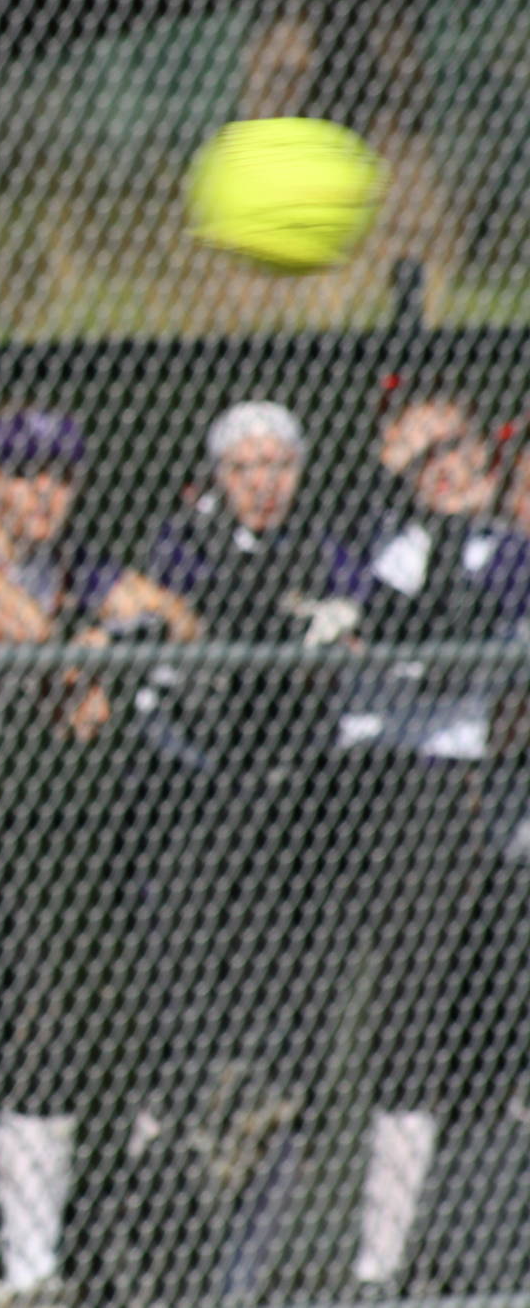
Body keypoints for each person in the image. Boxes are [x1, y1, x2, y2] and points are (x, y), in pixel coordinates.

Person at [0, 407, 199, 1307]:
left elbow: (182, 623)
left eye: (62, 476)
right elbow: (14, 635)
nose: (48, 493)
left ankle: (31, 1268)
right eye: (25, 472)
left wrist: (114, 637)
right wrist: (92, 647)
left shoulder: (75, 568)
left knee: (49, 1035)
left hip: (34, 829)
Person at [122, 401, 364, 1302]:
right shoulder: (182, 540)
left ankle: (245, 1278)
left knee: (288, 1063)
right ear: (217, 475)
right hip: (201, 812)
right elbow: (201, 614)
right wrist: (284, 622)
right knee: (191, 1042)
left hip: (294, 818)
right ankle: (165, 1264)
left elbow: (352, 618)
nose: (264, 484)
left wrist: (317, 623)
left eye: (280, 466)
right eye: (245, 467)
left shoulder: (325, 543)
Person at [329, 388, 530, 1298]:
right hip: (398, 787)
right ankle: (379, 1263)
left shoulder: (508, 551)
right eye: (424, 459)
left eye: (462, 451)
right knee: (403, 1021)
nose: (446, 470)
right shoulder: (392, 543)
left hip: (475, 787)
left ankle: (469, 1253)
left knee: (481, 1028)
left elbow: (454, 646)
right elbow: (385, 626)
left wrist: (397, 635)